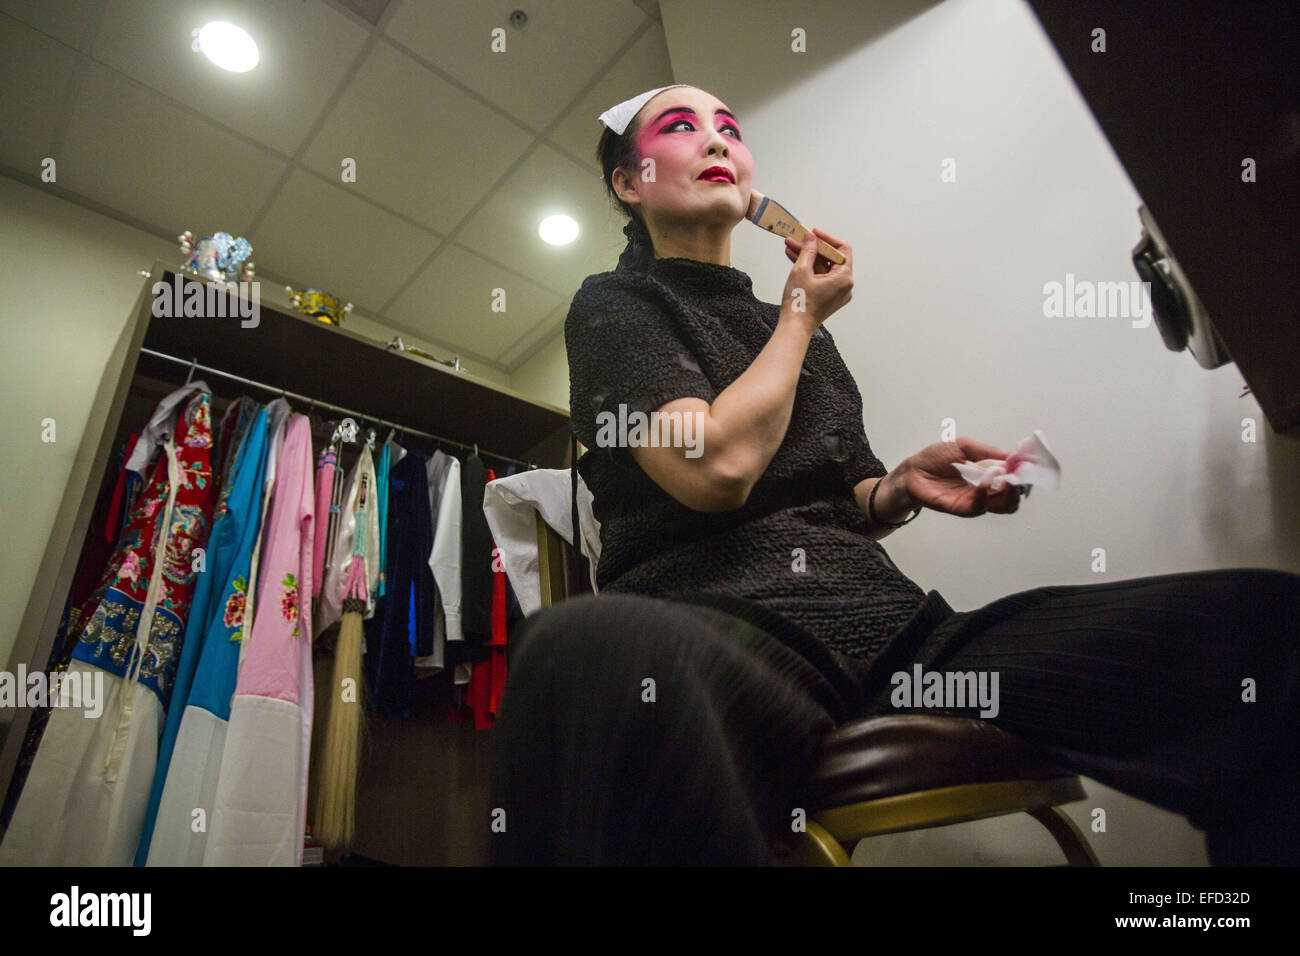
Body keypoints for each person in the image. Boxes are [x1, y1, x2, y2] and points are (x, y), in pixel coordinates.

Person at [487, 84, 1300, 866]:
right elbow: (717, 469)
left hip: (900, 635)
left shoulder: (795, 329)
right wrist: (802, 316)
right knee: (575, 649)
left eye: (730, 127)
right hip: (732, 639)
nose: (715, 139)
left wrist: (900, 488)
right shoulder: (615, 306)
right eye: (679, 126)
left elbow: (836, 504)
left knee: (1266, 631)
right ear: (630, 182)